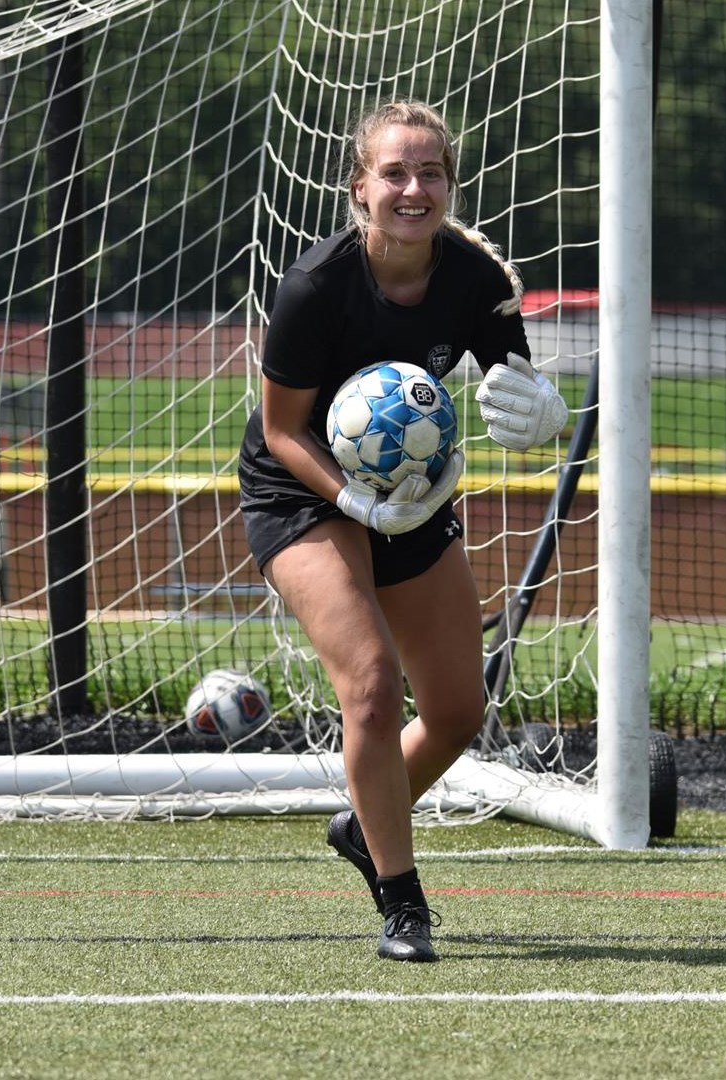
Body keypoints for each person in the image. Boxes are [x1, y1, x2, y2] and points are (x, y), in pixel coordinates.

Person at [236, 100, 568, 962]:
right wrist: (355, 503)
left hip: (410, 493)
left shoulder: (478, 279)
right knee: (375, 688)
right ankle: (403, 900)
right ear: (361, 188)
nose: (413, 189)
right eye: (395, 173)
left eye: (430, 174)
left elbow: (512, 392)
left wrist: (546, 416)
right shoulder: (316, 286)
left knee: (459, 710)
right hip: (303, 491)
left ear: (450, 187)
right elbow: (281, 432)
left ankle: (364, 825)